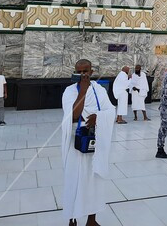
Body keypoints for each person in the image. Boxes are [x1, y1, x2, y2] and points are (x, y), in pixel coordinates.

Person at [61, 59, 115, 226]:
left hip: (94, 142)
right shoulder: (69, 91)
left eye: (86, 71)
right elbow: (74, 115)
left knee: (93, 181)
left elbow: (110, 110)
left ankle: (92, 219)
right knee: (74, 181)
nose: (83, 74)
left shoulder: (99, 90)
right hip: (75, 145)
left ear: (92, 72)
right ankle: (72, 218)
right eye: (79, 71)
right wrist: (82, 91)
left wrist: (99, 117)